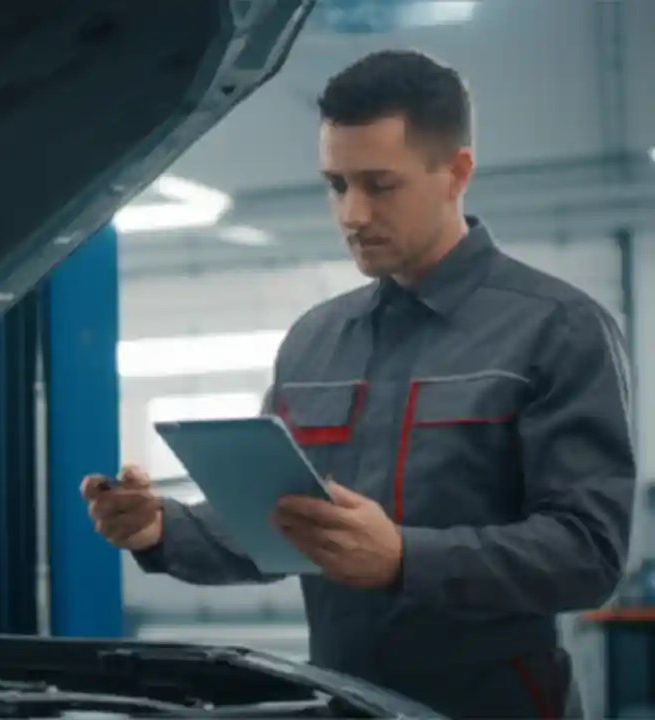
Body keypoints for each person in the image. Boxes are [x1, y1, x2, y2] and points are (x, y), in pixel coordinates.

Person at [83, 49, 635, 719]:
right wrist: (157, 529)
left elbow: (588, 555)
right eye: (336, 184)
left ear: (456, 173)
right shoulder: (316, 341)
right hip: (344, 705)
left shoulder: (557, 329)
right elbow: (276, 528)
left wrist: (405, 558)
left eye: (380, 185)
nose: (351, 213)